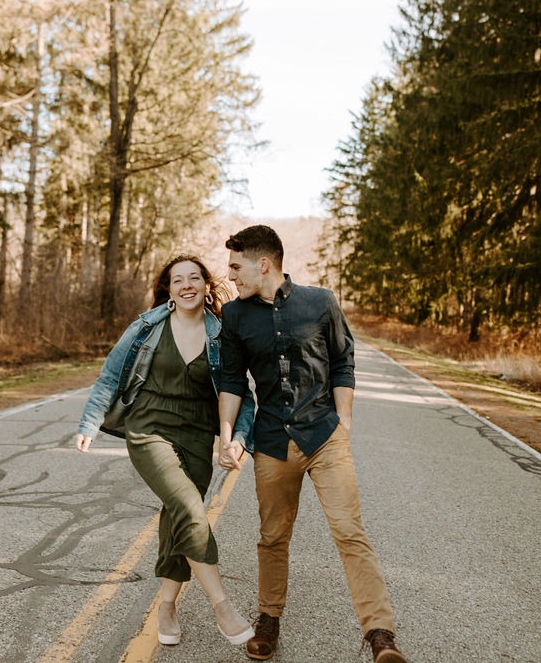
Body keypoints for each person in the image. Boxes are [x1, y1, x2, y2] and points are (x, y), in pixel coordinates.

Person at [215, 226, 409, 663]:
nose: (230, 276)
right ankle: (269, 618)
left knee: (349, 532)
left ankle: (381, 635)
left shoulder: (319, 302)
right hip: (271, 443)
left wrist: (344, 423)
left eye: (235, 267)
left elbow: (343, 359)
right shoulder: (235, 316)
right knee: (273, 537)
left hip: (324, 438)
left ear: (263, 264)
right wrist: (227, 438)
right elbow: (232, 382)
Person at [75, 254, 256, 648]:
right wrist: (90, 421)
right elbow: (109, 375)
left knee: (177, 517)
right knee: (191, 510)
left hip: (196, 437)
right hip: (150, 429)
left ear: (207, 286)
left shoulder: (222, 334)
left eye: (195, 278)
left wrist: (238, 439)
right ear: (168, 289)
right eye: (178, 280)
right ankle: (222, 605)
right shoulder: (146, 327)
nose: (187, 285)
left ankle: (167, 606)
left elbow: (241, 393)